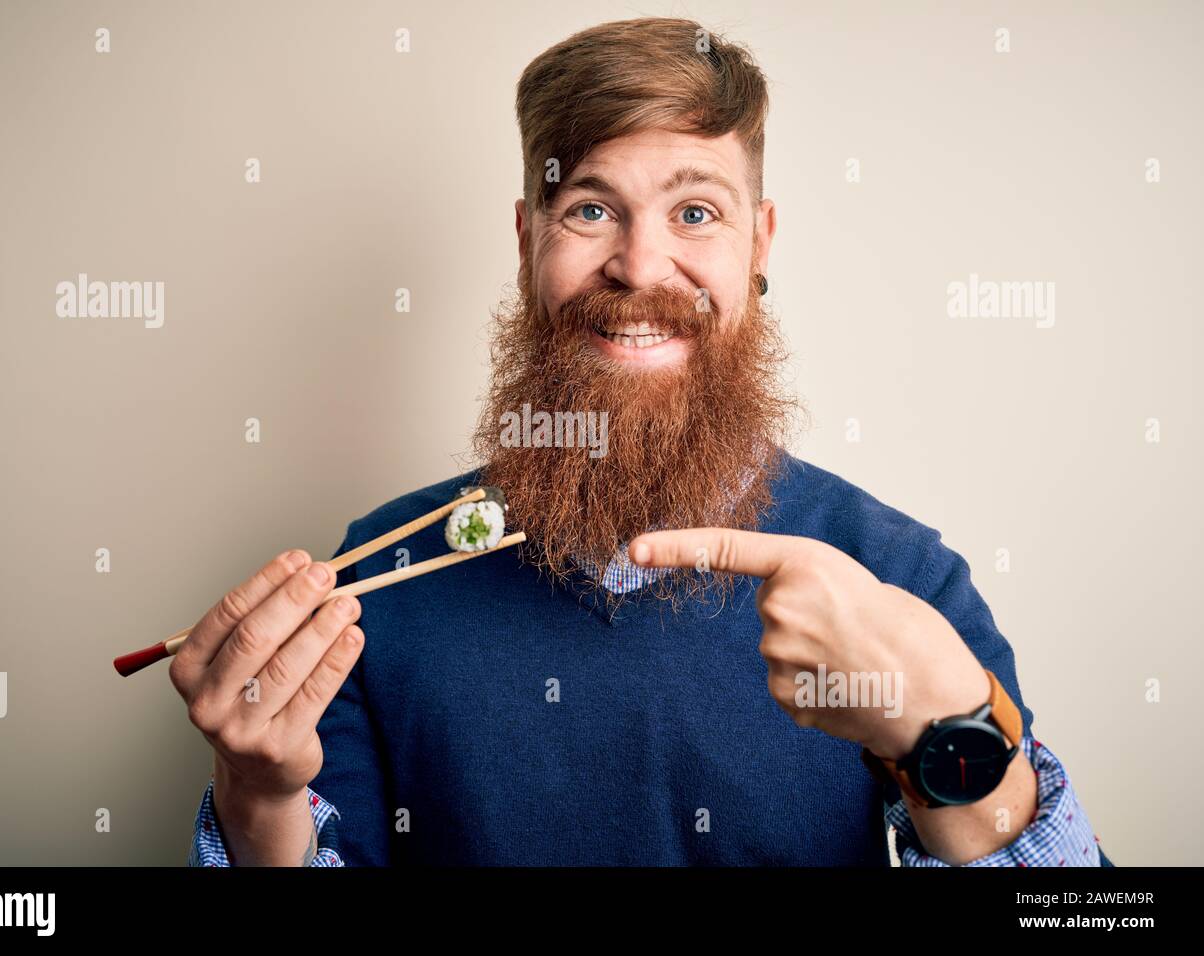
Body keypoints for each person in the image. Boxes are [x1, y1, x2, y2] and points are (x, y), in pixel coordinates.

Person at [170, 16, 1108, 866]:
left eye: (695, 212)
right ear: (526, 237)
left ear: (760, 243)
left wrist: (949, 744)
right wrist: (257, 798)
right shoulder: (378, 584)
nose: (640, 264)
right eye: (589, 208)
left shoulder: (898, 577)